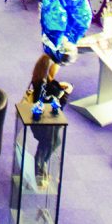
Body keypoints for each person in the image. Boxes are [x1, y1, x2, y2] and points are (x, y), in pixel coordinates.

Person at [25, 53, 72, 185]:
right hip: (45, 123)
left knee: (49, 144)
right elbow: (57, 109)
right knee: (51, 142)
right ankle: (39, 171)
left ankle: (41, 166)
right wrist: (66, 94)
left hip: (40, 121)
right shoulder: (49, 88)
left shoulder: (40, 80)